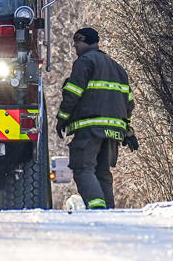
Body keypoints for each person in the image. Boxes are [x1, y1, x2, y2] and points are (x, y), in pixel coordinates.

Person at [55, 27, 138, 210]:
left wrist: (62, 119)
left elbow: (72, 94)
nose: (75, 46)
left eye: (77, 42)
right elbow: (129, 102)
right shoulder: (117, 67)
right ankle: (107, 211)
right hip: (113, 131)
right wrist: (127, 130)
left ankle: (97, 209)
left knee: (83, 168)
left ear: (85, 42)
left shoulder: (84, 62)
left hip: (90, 127)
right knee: (102, 172)